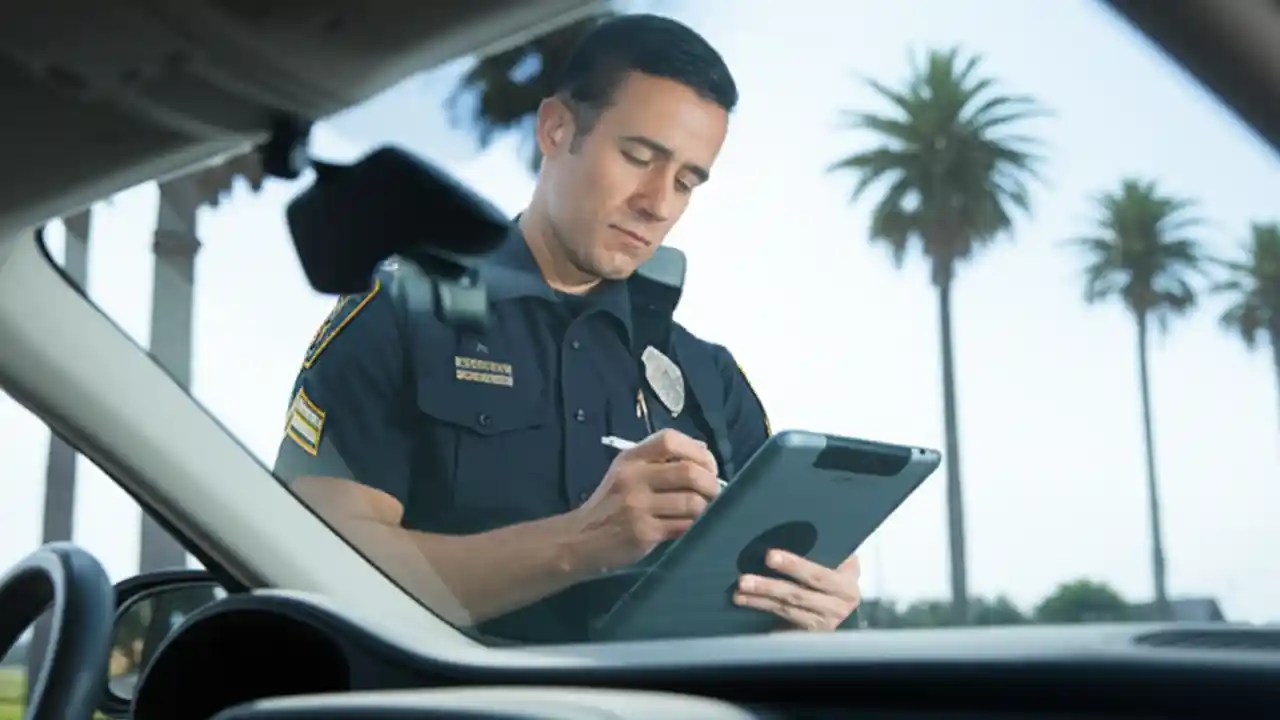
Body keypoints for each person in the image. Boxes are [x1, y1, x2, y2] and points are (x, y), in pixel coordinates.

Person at [271, 13, 861, 644]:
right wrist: (581, 542)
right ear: (556, 128)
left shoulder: (709, 378)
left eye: (687, 181)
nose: (658, 202)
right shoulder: (400, 315)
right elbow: (319, 572)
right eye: (639, 156)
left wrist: (820, 599)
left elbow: (769, 587)